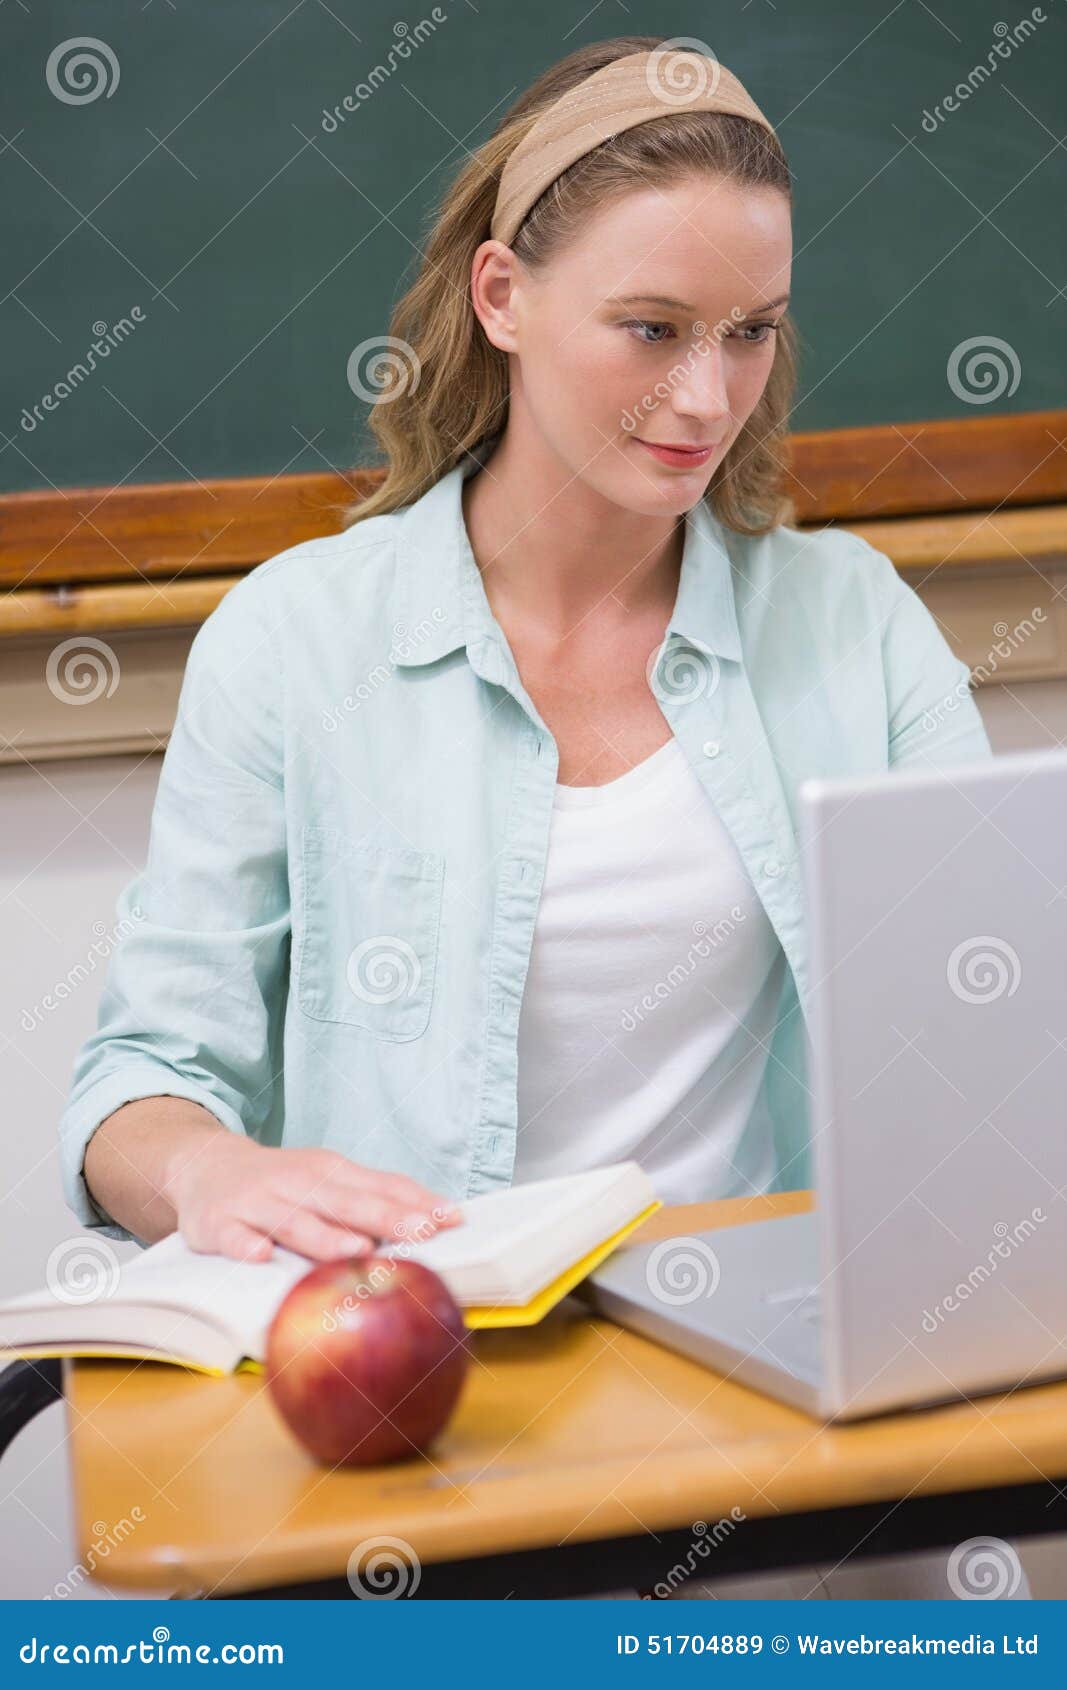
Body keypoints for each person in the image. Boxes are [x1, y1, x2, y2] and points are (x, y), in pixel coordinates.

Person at [58, 35, 1026, 1599]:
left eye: (753, 333)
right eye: (651, 328)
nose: (707, 395)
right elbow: (138, 1089)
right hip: (422, 1451)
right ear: (503, 296)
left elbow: (999, 1037)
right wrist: (208, 1174)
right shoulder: (295, 641)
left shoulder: (852, 623)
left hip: (769, 1433)